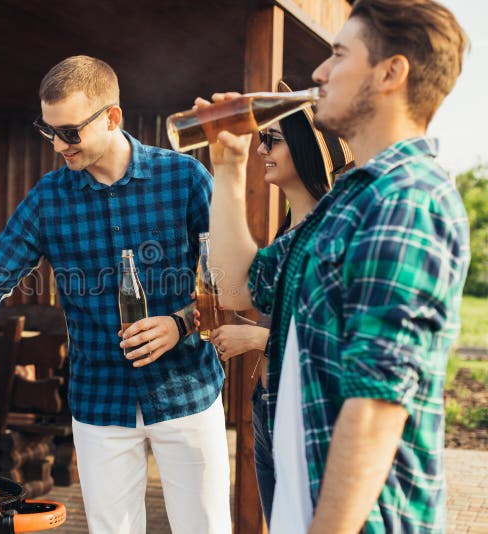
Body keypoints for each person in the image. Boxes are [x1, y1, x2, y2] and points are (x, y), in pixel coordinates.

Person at [0, 55, 232, 534]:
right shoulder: (48, 198)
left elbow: (227, 282)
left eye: (71, 132)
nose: (59, 145)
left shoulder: (185, 179)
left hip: (187, 390)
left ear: (112, 118)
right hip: (100, 403)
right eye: (50, 130)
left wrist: (179, 323)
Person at [204, 0, 470, 532]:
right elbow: (241, 291)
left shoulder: (406, 201)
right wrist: (229, 170)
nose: (320, 73)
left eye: (339, 55)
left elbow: (375, 405)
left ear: (392, 73)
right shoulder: (346, 200)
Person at [207, 80, 353, 526]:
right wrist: (225, 168)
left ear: (310, 149)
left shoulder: (338, 235)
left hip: (310, 417)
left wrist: (258, 337)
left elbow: (340, 343)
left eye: (272, 139)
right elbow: (232, 290)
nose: (260, 149)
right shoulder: (288, 236)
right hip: (267, 406)